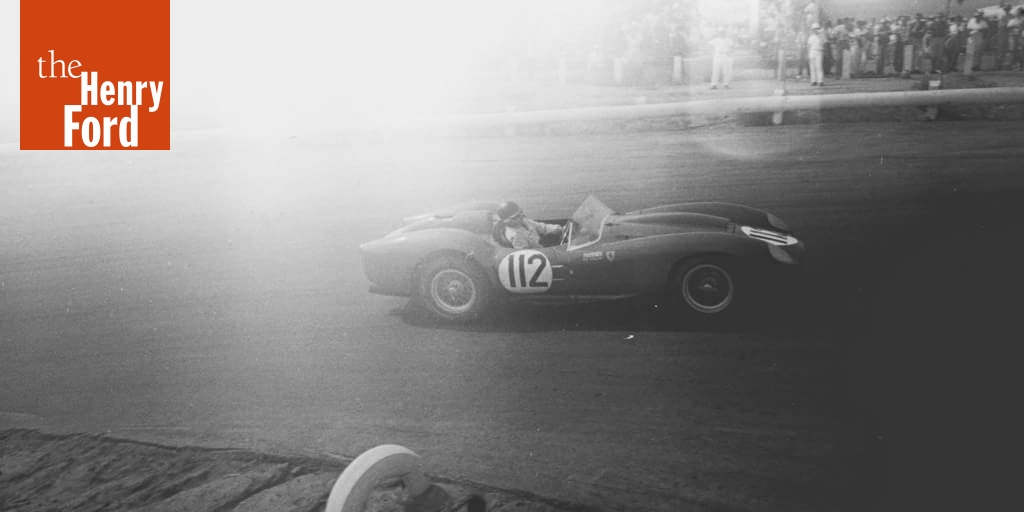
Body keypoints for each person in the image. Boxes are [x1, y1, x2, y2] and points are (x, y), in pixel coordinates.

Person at [495, 201, 563, 250]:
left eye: (521, 212)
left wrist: (556, 228)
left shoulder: (524, 221)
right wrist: (543, 249)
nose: (521, 216)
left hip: (541, 243)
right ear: (505, 221)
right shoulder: (516, 236)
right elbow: (526, 253)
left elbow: (540, 227)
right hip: (538, 251)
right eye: (516, 216)